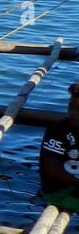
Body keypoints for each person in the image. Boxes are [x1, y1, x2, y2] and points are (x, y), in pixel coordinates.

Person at [39, 83, 79, 211]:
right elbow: (52, 169)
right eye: (70, 107)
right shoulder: (58, 131)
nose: (72, 113)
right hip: (61, 191)